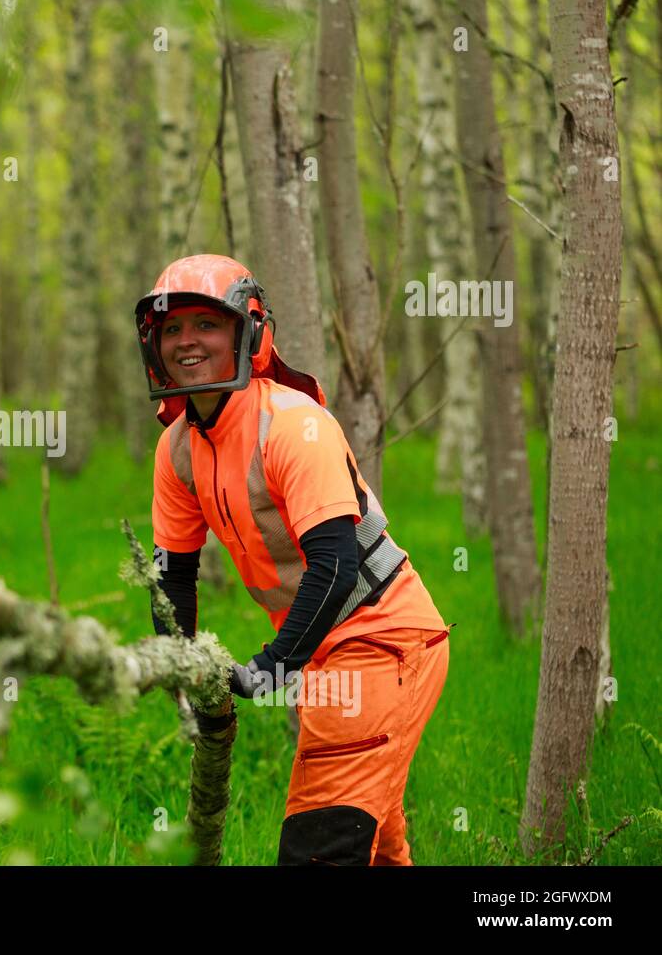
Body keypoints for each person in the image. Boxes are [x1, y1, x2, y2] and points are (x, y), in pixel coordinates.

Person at [135, 253, 450, 865]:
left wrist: (271, 667)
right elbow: (172, 574)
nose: (186, 342)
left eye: (206, 324)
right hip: (323, 654)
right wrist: (185, 669)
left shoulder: (292, 427)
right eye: (171, 329)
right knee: (378, 848)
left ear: (248, 333)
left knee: (319, 847)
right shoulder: (176, 449)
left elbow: (331, 565)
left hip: (379, 640)